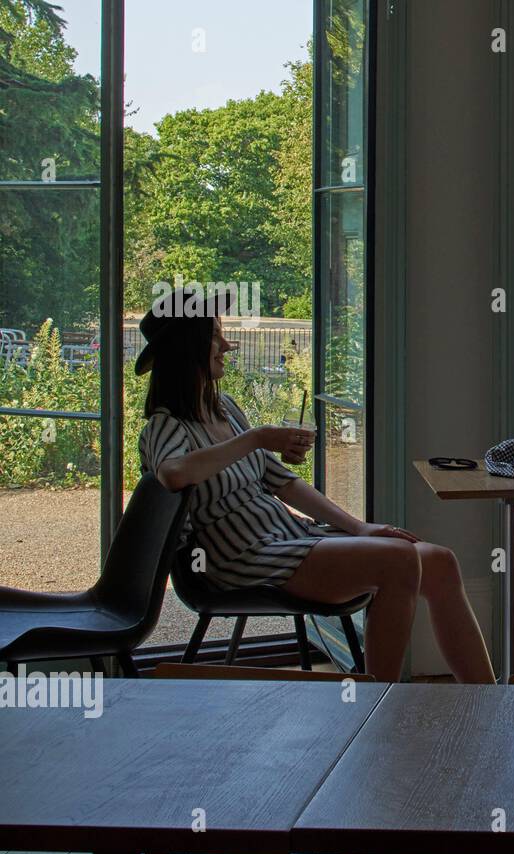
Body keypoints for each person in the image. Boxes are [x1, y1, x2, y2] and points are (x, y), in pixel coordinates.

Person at [135, 290, 494, 683]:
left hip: (287, 537)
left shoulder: (227, 411)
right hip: (241, 558)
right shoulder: (165, 425)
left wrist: (359, 528)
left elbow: (282, 482)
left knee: (440, 561)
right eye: (216, 334)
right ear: (189, 347)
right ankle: (379, 705)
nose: (227, 344)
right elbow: (172, 473)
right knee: (398, 560)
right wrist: (255, 438)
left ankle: (487, 700)